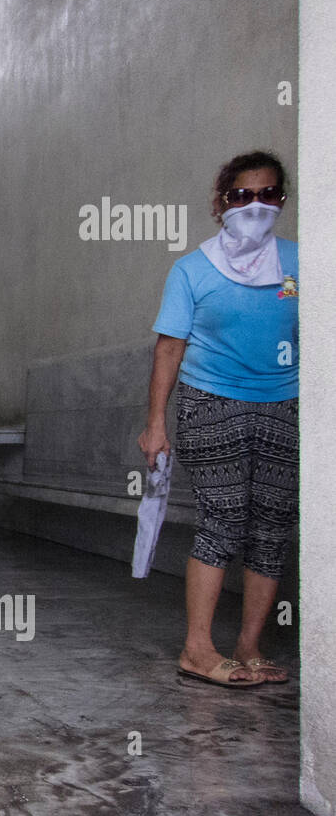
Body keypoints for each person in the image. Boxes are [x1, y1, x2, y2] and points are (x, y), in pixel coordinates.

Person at [139, 151, 298, 688]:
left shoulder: (301, 264)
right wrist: (155, 423)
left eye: (268, 194)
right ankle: (198, 649)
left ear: (281, 200)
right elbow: (168, 349)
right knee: (224, 518)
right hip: (212, 404)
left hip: (285, 406)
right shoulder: (192, 269)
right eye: (241, 195)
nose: (255, 205)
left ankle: (249, 646)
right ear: (219, 203)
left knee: (272, 528)